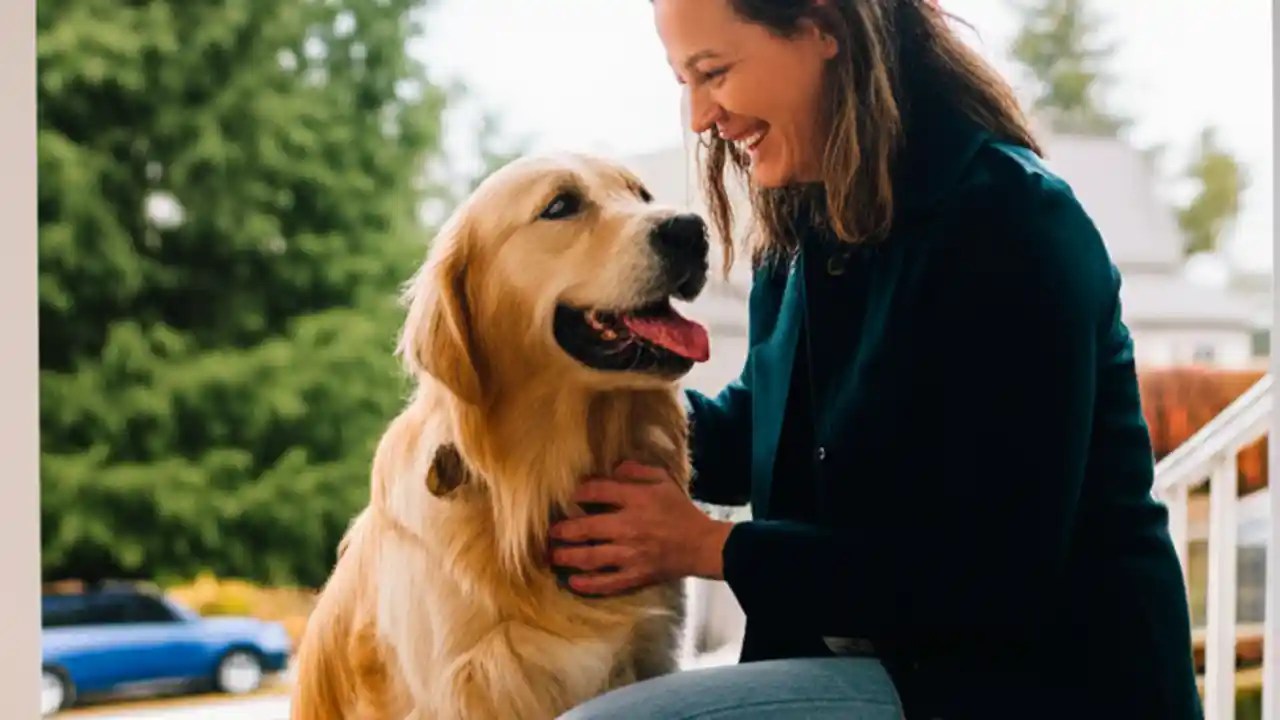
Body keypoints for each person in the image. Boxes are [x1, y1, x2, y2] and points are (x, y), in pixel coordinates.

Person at [548, 0, 1203, 717]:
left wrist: (711, 548)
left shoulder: (1012, 224)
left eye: (714, 72)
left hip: (1037, 688)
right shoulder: (805, 227)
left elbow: (991, 580)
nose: (702, 115)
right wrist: (563, 396)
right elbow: (750, 431)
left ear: (825, 27)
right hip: (898, 674)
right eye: (684, 81)